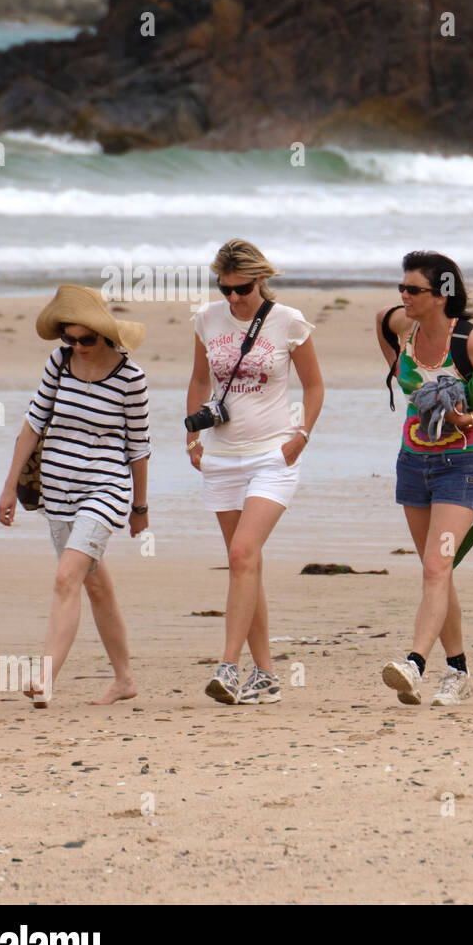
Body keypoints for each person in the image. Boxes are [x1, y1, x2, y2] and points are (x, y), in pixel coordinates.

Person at [0, 284, 150, 706]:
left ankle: (44, 678)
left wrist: (140, 507)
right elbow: (32, 424)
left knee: (66, 577)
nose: (78, 346)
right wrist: (9, 486)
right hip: (58, 490)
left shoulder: (131, 378)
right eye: (70, 338)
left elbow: (138, 448)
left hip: (106, 489)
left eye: (86, 338)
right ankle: (124, 680)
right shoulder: (59, 362)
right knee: (94, 586)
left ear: (104, 334)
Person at [188, 239, 324, 705]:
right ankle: (266, 675)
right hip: (222, 456)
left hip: (273, 455)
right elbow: (200, 380)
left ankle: (227, 667)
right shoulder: (207, 320)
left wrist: (301, 435)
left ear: (260, 280)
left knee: (243, 553)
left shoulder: (288, 321)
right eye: (224, 288)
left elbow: (314, 385)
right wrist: (192, 436)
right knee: (246, 564)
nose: (232, 298)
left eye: (241, 288)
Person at [376, 251, 473, 707]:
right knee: (438, 572)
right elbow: (382, 319)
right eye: (402, 288)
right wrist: (398, 360)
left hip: (462, 466)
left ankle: (414, 663)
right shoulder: (405, 328)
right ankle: (458, 672)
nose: (403, 296)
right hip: (413, 462)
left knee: (436, 567)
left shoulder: (469, 343)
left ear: (442, 296)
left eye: (413, 290)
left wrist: (464, 416)